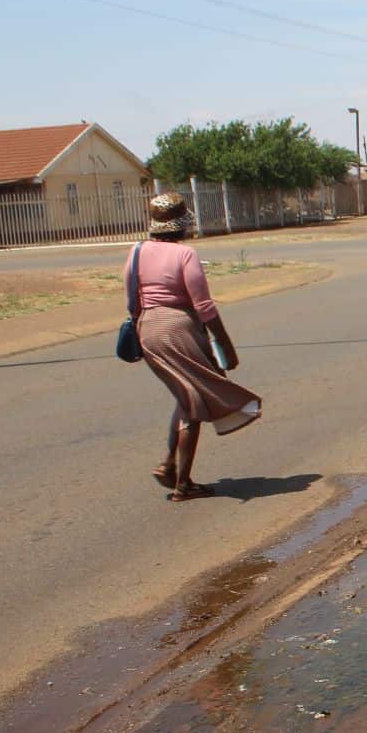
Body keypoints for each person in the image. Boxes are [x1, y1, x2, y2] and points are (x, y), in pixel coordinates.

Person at [129, 192, 262, 502]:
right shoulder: (184, 255)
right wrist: (225, 345)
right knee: (193, 404)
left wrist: (144, 327)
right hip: (180, 329)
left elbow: (131, 299)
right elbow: (203, 305)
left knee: (185, 394)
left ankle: (169, 465)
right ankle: (181, 482)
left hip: (147, 329)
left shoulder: (135, 252)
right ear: (183, 226)